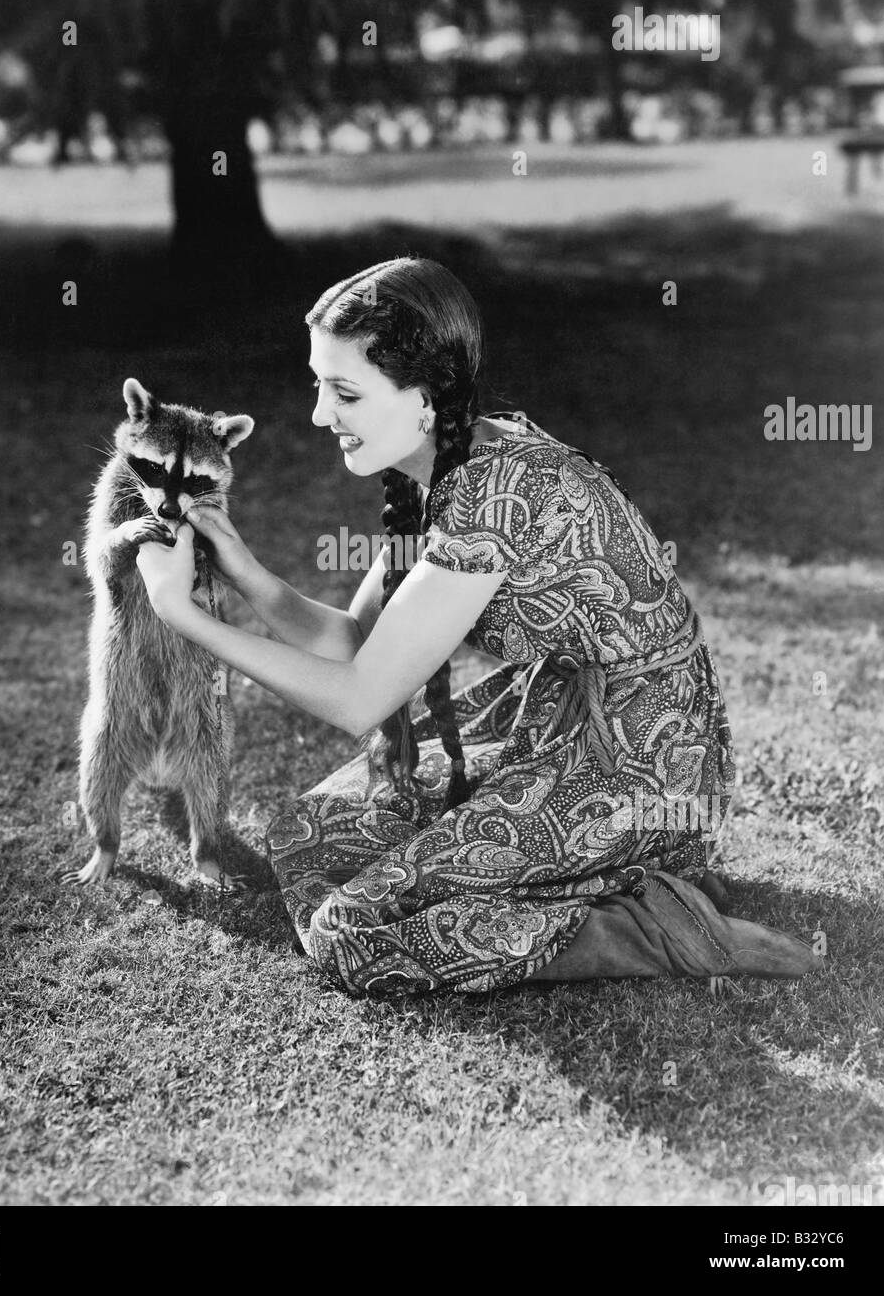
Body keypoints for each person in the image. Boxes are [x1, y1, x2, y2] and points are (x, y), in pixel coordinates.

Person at [135, 256, 820, 997]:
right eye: (317, 384)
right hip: (556, 720)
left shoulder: (494, 500)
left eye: (343, 392)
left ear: (422, 397)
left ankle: (653, 922)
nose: (317, 415)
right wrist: (242, 572)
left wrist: (181, 614)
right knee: (302, 837)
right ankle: (595, 878)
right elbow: (360, 644)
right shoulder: (443, 460)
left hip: (643, 758)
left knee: (350, 932)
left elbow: (359, 697)